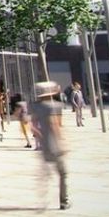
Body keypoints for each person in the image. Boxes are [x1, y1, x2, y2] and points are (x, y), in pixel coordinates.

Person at [31, 81, 69, 210]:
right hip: (54, 145)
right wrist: (61, 142)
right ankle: (64, 201)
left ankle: (43, 197)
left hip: (44, 146)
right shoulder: (54, 106)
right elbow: (55, 125)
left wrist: (41, 137)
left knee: (45, 173)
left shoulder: (36, 106)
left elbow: (34, 127)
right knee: (63, 173)